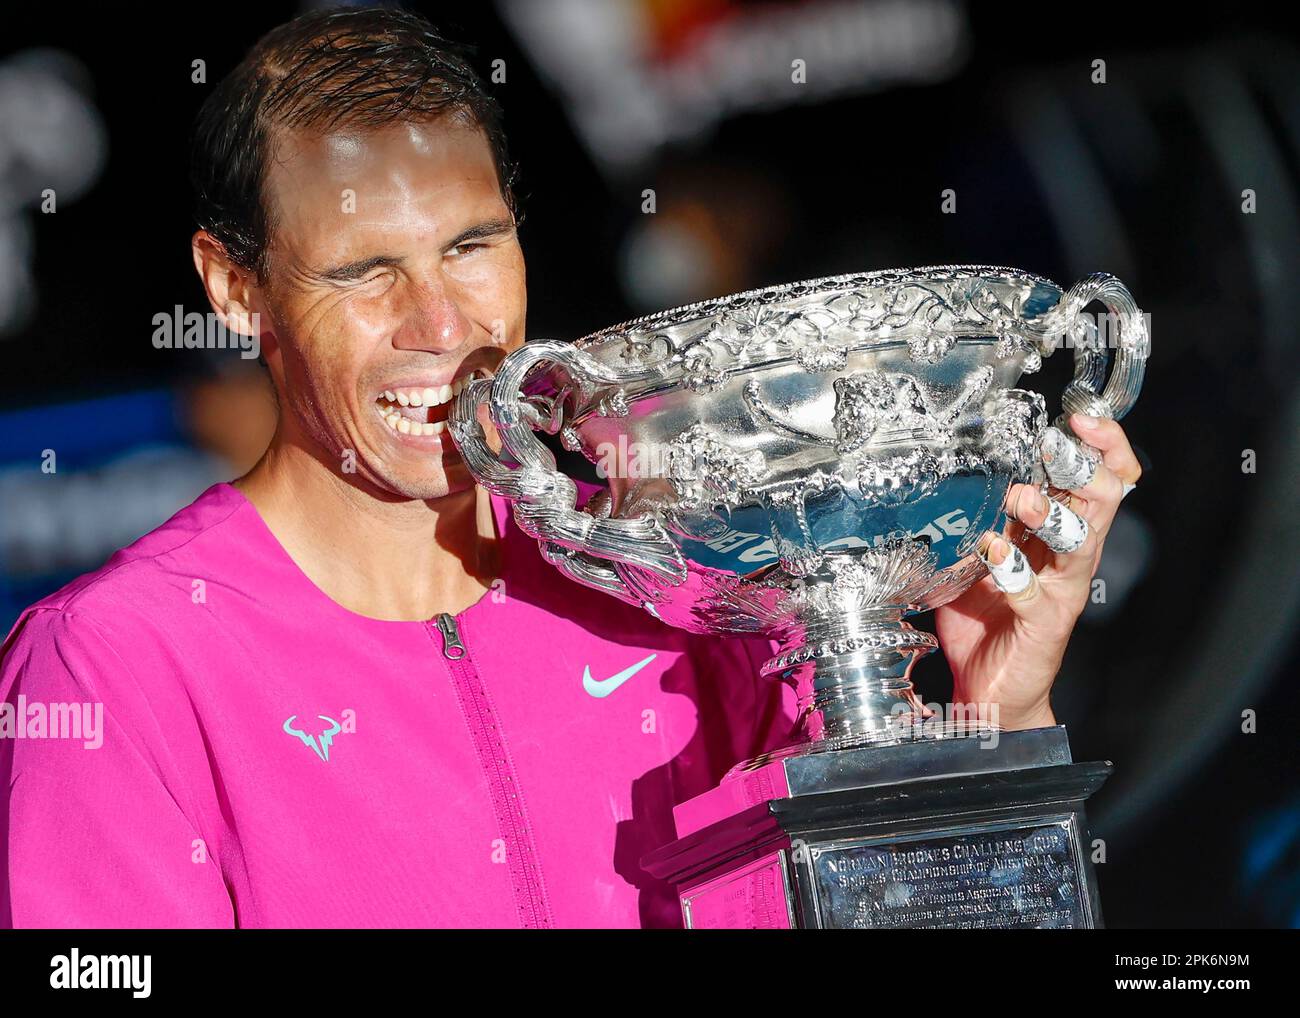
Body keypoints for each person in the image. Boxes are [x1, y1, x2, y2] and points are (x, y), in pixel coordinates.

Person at [0, 7, 1141, 929]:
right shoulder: (113, 667)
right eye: (362, 271)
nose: (439, 323)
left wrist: (994, 726)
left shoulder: (702, 586)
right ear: (237, 287)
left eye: (470, 246)